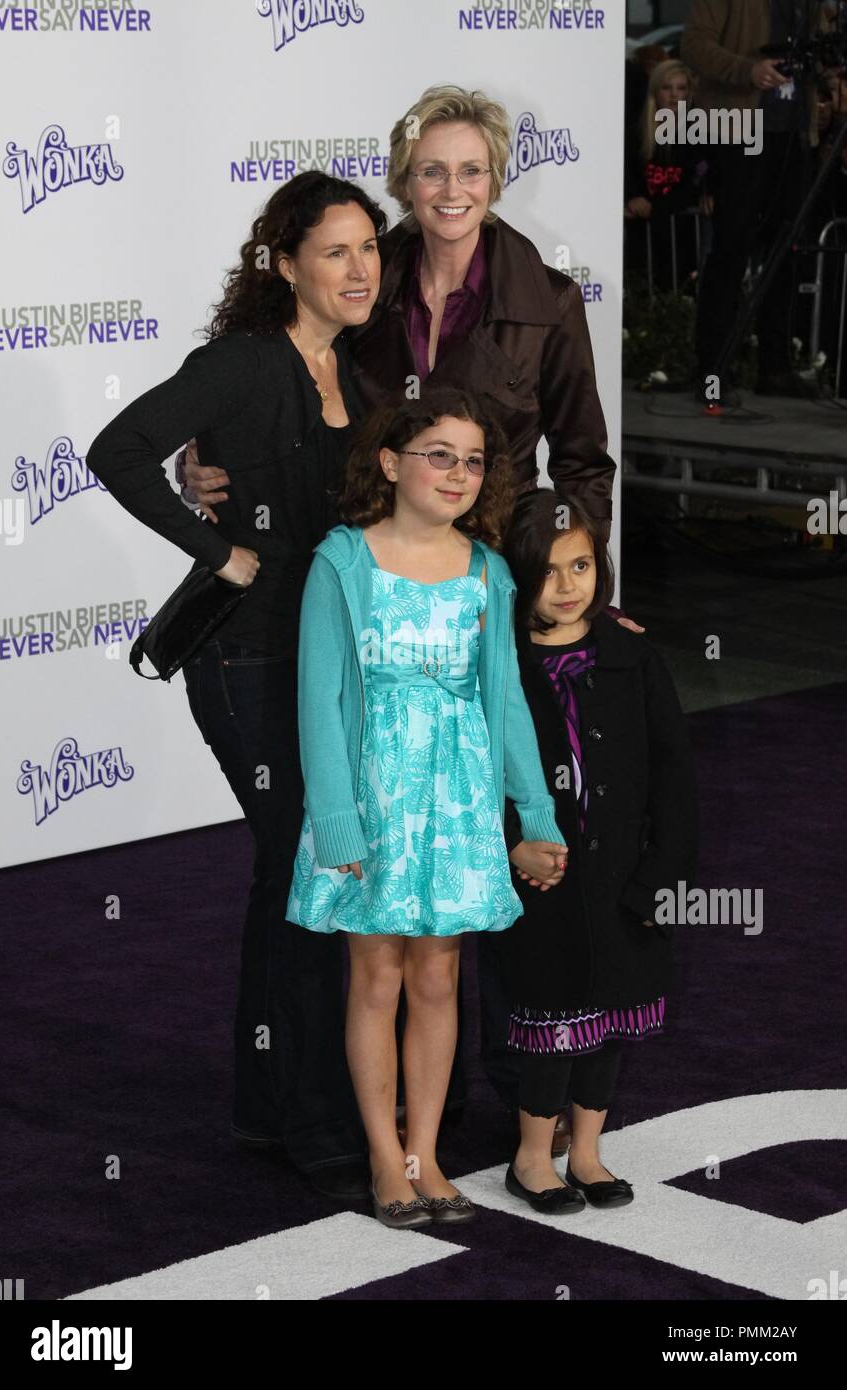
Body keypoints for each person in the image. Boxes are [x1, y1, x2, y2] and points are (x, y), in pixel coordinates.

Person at [178, 85, 633, 1153]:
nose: (450, 191)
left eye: (470, 170)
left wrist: (564, 585)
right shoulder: (357, 276)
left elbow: (583, 463)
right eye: (430, 170)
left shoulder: (544, 301)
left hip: (485, 606)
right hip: (360, 602)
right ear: (401, 179)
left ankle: (473, 1106)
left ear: (497, 179)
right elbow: (266, 374)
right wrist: (203, 463)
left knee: (477, 857)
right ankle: (311, 1108)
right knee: (333, 863)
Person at [85, 172, 387, 1200]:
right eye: (335, 251)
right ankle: (314, 1120)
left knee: (286, 873)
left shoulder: (362, 373)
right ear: (285, 263)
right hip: (247, 657)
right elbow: (117, 448)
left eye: (367, 250)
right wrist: (214, 549)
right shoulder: (241, 365)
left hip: (332, 659)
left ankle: (269, 1103)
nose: (357, 270)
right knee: (309, 867)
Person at [285, 389, 567, 1227]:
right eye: (439, 454)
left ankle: (425, 1154)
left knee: (440, 976)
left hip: (459, 798)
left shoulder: (489, 571)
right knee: (376, 975)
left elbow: (506, 702)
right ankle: (382, 1160)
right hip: (374, 798)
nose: (458, 473)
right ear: (390, 463)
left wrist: (537, 814)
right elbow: (319, 698)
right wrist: (335, 816)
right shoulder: (343, 561)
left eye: (474, 459)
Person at [497, 488, 700, 1213]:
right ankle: (531, 1156)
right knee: (550, 1020)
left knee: (612, 1017)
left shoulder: (629, 653)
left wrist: (663, 876)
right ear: (518, 576)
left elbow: (675, 773)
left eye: (580, 565)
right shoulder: (504, 664)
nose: (568, 585)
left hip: (625, 877)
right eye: (548, 571)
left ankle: (585, 1151)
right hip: (542, 884)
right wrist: (511, 848)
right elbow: (479, 776)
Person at [682, 0, 832, 402]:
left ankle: (775, 367)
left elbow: (819, 48)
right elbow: (693, 44)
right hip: (736, 128)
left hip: (794, 133)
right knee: (731, 248)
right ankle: (712, 373)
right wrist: (747, 69)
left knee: (787, 249)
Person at [625, 60, 711, 293]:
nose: (675, 95)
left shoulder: (699, 130)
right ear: (655, 91)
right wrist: (633, 198)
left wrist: (658, 208)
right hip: (642, 234)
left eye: (681, 88)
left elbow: (698, 175)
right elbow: (627, 169)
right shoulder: (636, 129)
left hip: (681, 233)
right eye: (667, 88)